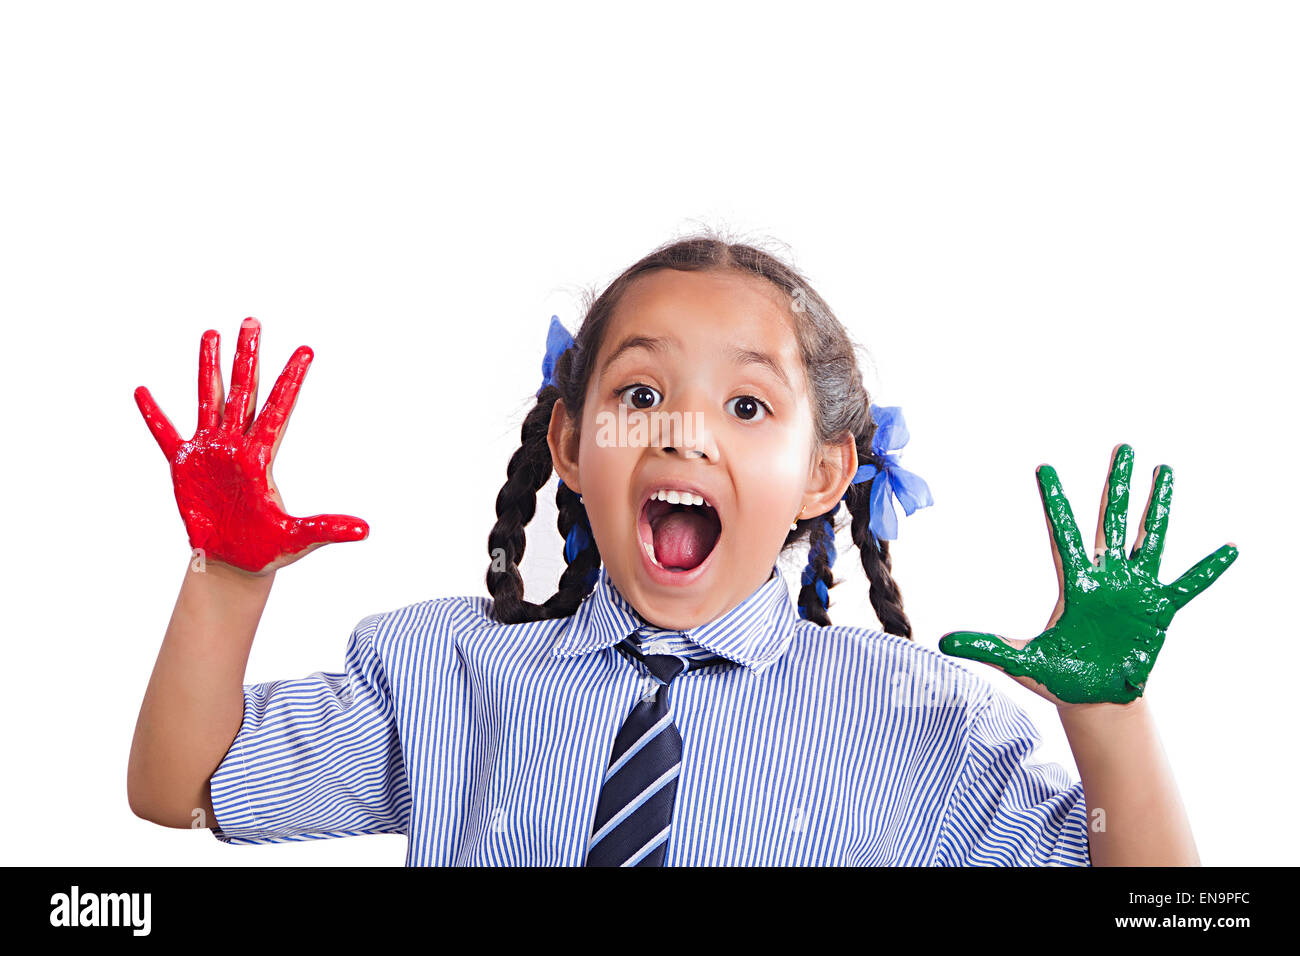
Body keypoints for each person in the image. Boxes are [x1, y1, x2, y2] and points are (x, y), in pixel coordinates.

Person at [127, 232, 1236, 865]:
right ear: (571, 439)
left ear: (823, 473)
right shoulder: (444, 672)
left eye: (748, 406)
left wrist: (1110, 719)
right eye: (642, 390)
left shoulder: (927, 725)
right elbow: (178, 789)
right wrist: (227, 576)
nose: (685, 428)